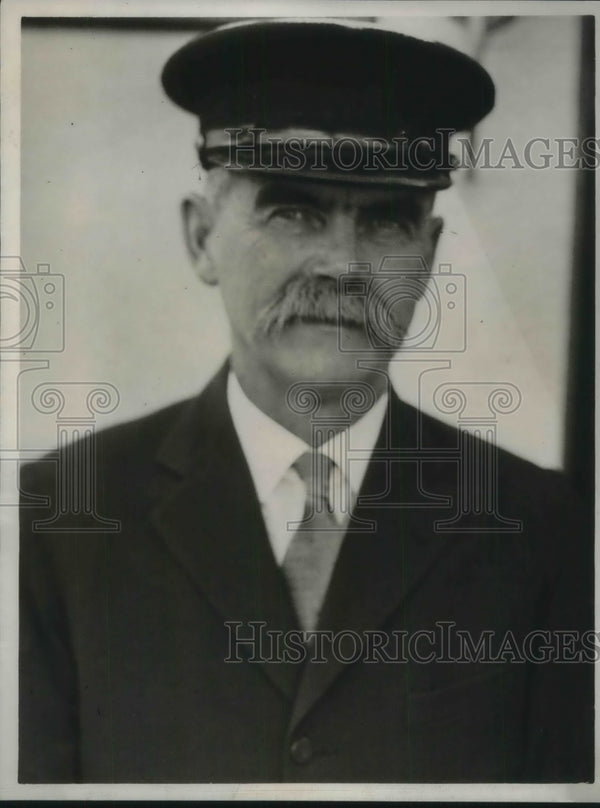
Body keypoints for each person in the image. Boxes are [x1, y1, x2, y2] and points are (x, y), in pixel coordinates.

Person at [19, 18, 593, 783]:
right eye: (292, 211)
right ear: (201, 239)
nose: (343, 265)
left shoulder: (542, 531)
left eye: (386, 218)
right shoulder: (56, 521)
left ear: (429, 254)